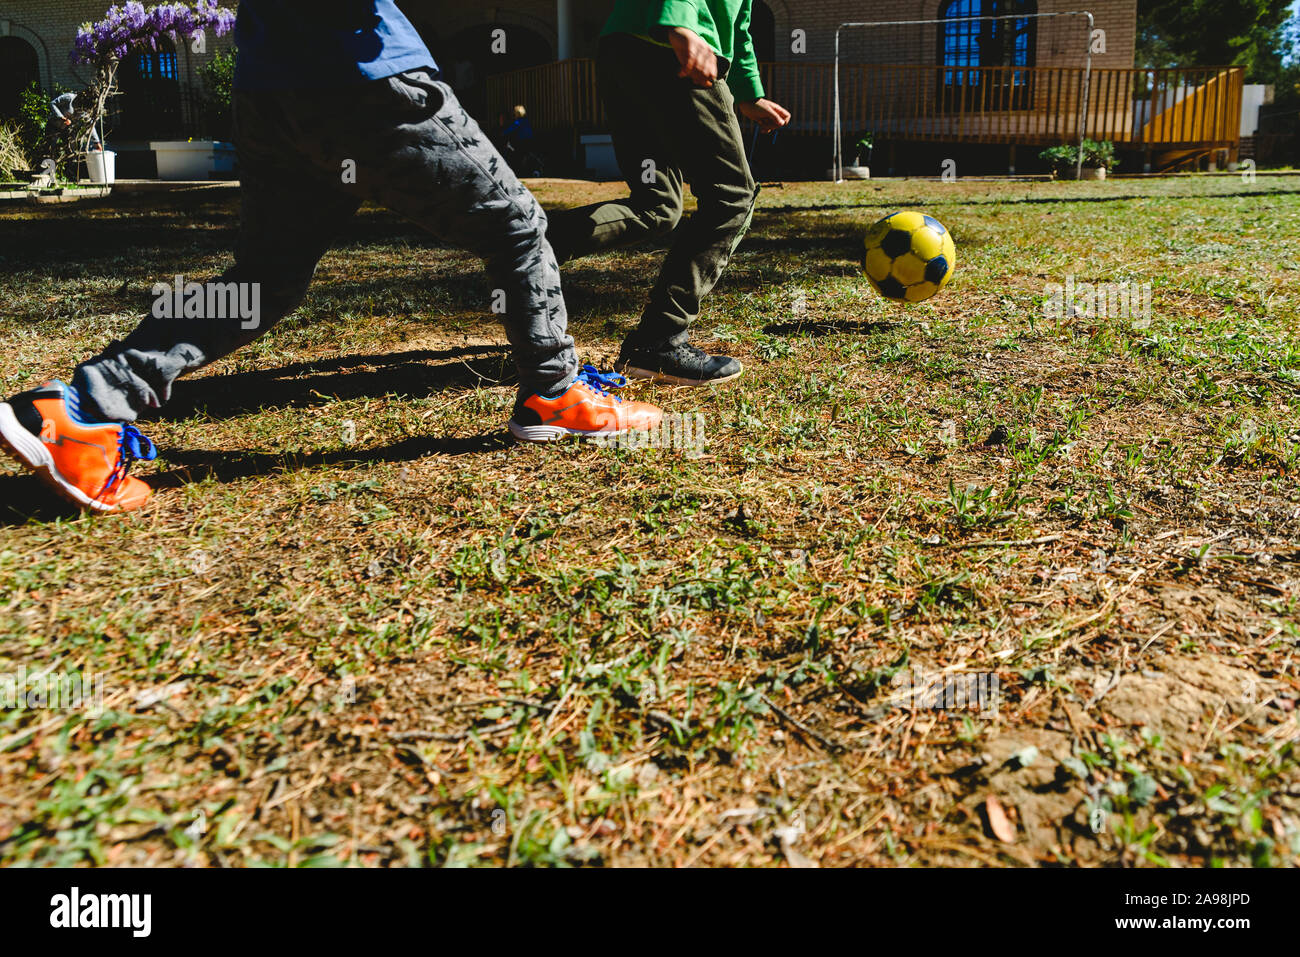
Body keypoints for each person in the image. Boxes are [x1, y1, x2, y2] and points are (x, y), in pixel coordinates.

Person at [0, 0, 661, 514]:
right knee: (516, 226)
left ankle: (84, 406)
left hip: (273, 88)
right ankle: (553, 394)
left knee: (265, 280)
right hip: (367, 77)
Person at [545, 0, 790, 387]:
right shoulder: (678, 32)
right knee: (732, 197)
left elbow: (739, 23)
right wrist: (679, 25)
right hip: (671, 51)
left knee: (656, 205)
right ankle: (659, 341)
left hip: (625, 48)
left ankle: (526, 249)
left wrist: (748, 92)